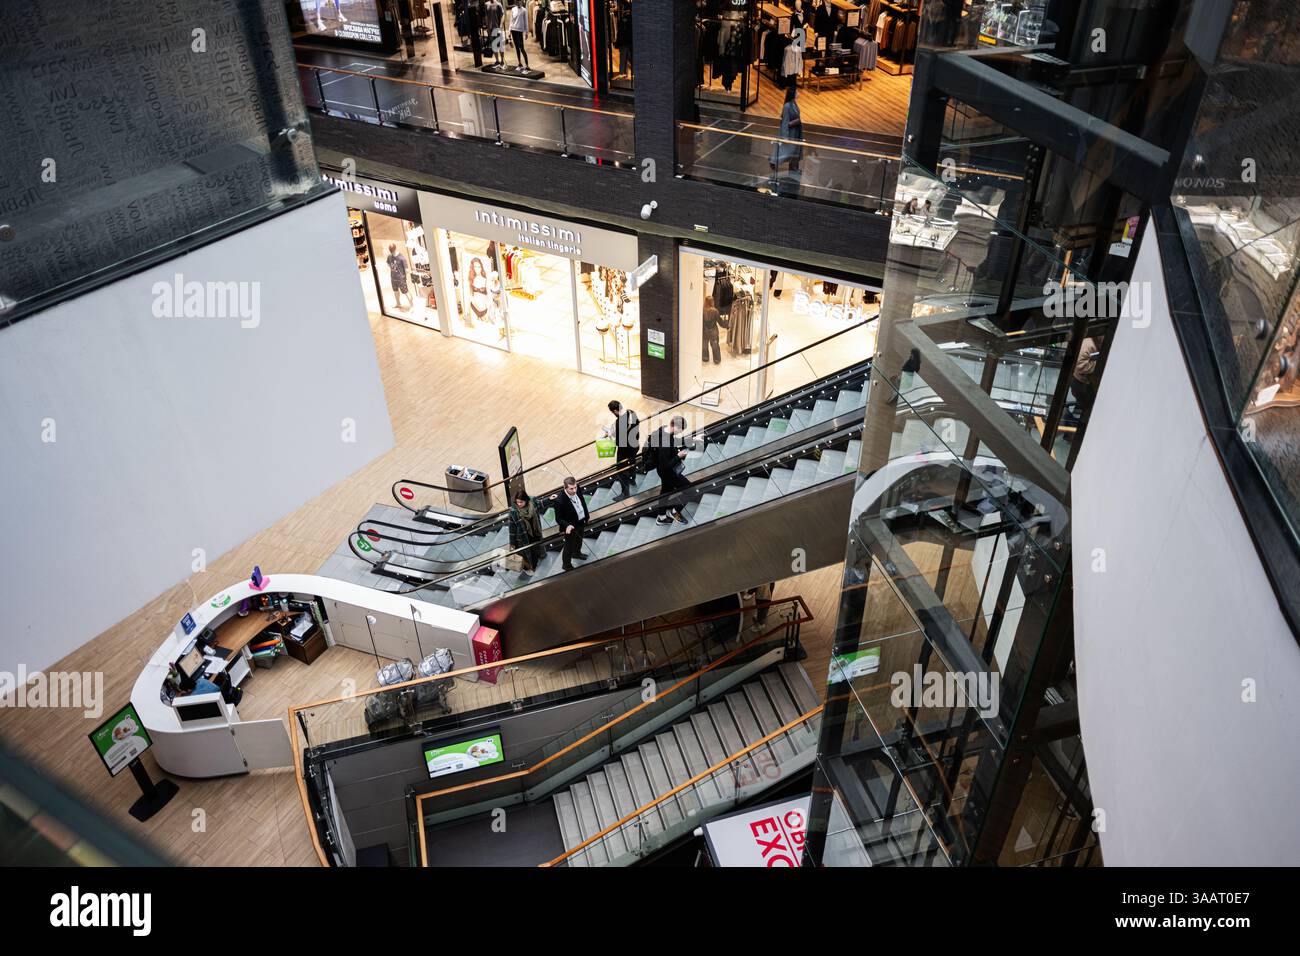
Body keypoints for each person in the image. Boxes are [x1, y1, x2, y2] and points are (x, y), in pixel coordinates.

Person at [647, 415, 694, 524]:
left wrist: (688, 440)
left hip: (662, 471)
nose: (680, 432)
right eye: (681, 430)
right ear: (675, 426)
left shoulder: (663, 430)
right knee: (690, 490)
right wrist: (679, 456)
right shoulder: (664, 444)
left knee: (665, 492)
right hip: (668, 473)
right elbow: (666, 466)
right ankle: (674, 511)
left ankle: (661, 517)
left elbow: (673, 443)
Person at [550, 476, 591, 571]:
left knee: (579, 538)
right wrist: (567, 525)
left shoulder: (578, 488)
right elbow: (558, 519)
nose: (574, 490)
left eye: (575, 487)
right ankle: (566, 565)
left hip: (581, 520)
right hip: (570, 526)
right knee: (568, 545)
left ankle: (577, 553)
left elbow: (583, 502)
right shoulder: (559, 500)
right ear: (565, 488)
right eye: (571, 488)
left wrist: (587, 516)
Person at [770, 84, 804, 197]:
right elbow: (784, 122)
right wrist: (785, 137)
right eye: (797, 91)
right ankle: (773, 162)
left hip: (796, 132)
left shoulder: (794, 103)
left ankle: (793, 167)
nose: (798, 93)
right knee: (787, 151)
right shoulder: (787, 106)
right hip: (791, 132)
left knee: (794, 150)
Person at [605, 400, 641, 500]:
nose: (613, 414)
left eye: (613, 412)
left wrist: (610, 435)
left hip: (624, 450)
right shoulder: (632, 413)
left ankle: (625, 493)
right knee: (632, 462)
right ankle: (632, 479)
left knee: (621, 470)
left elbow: (618, 441)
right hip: (635, 445)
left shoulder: (619, 422)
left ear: (616, 410)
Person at [506, 490, 544, 573]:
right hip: (524, 537)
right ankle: (531, 567)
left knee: (536, 549)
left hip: (535, 532)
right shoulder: (513, 512)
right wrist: (512, 543)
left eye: (521, 502)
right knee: (529, 553)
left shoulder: (532, 504)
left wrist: (551, 499)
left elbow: (540, 504)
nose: (519, 504)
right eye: (517, 502)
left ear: (526, 501)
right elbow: (512, 529)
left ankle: (536, 560)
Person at [386, 243, 411, 310]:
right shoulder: (389, 256)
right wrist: (391, 268)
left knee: (405, 291)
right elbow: (388, 263)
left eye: (391, 249)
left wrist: (404, 276)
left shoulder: (401, 258)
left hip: (400, 278)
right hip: (393, 277)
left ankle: (412, 306)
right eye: (390, 249)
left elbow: (407, 269)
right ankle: (398, 303)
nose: (390, 250)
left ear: (394, 248)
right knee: (395, 291)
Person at [508, 0, 530, 69]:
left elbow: (526, 21)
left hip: (520, 31)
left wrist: (526, 32)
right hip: (514, 30)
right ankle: (519, 63)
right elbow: (511, 21)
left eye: (520, 1)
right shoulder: (513, 9)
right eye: (517, 2)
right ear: (516, 2)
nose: (519, 3)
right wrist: (509, 31)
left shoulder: (524, 10)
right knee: (517, 48)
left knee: (522, 48)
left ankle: (527, 65)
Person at [702, 294, 723, 364]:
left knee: (704, 346)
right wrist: (727, 326)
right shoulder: (715, 311)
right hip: (713, 332)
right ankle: (717, 360)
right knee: (715, 346)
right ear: (712, 302)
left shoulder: (702, 311)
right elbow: (720, 321)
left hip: (705, 331)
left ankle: (705, 358)